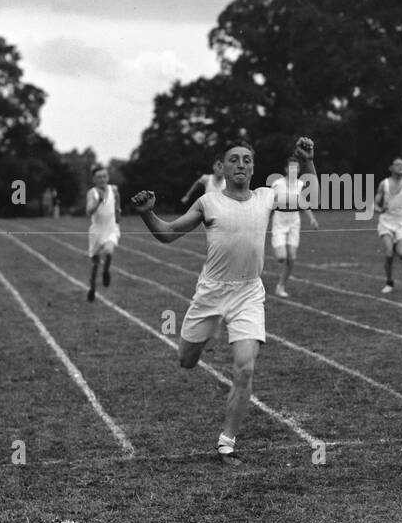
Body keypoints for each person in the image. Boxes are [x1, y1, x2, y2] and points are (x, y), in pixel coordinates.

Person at [131, 136, 317, 465]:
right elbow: (167, 233)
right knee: (186, 361)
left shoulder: (267, 197)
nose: (241, 164)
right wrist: (148, 214)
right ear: (223, 166)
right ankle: (204, 336)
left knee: (245, 368)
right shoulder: (209, 202)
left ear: (254, 167)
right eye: (234, 159)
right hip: (211, 293)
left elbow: (309, 196)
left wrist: (307, 162)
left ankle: (226, 442)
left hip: (248, 293)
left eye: (247, 159)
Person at [267, 154, 319, 298]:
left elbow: (303, 204)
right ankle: (278, 251)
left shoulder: (301, 185)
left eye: (296, 168)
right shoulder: (277, 184)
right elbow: (270, 205)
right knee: (281, 257)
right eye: (292, 168)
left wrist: (312, 219)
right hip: (279, 223)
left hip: (294, 223)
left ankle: (281, 286)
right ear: (286, 169)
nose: (294, 170)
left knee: (292, 257)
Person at [373, 157, 402, 293]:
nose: (401, 167)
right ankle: (389, 282)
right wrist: (380, 210)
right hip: (386, 223)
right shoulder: (383, 184)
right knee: (389, 253)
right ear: (391, 168)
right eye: (397, 165)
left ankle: (396, 245)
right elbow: (375, 204)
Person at [86, 165, 121, 302]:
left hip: (111, 228)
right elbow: (89, 212)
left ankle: (106, 271)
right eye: (99, 177)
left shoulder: (114, 189)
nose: (102, 179)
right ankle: (92, 288)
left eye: (104, 176)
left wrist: (118, 212)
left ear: (108, 177)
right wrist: (98, 201)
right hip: (96, 232)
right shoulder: (92, 193)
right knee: (95, 264)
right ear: (94, 179)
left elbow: (117, 203)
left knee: (109, 251)